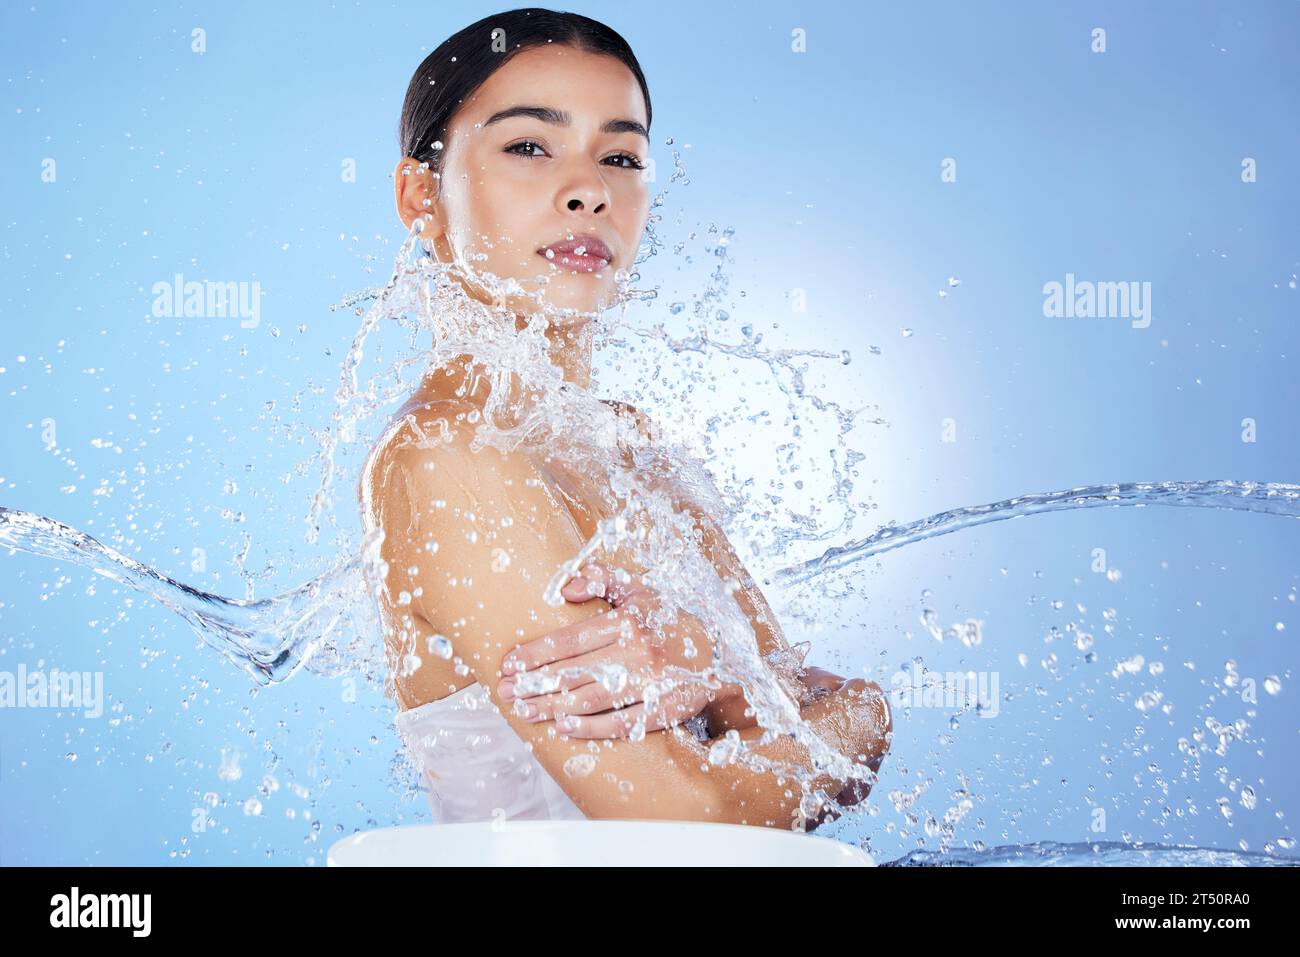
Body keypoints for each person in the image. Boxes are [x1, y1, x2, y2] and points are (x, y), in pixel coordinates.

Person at [361, 7, 891, 831]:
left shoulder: (626, 444)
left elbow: (826, 724)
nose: (590, 189)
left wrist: (717, 668)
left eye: (621, 156)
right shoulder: (445, 456)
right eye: (530, 146)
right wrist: (814, 701)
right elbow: (694, 825)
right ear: (419, 194)